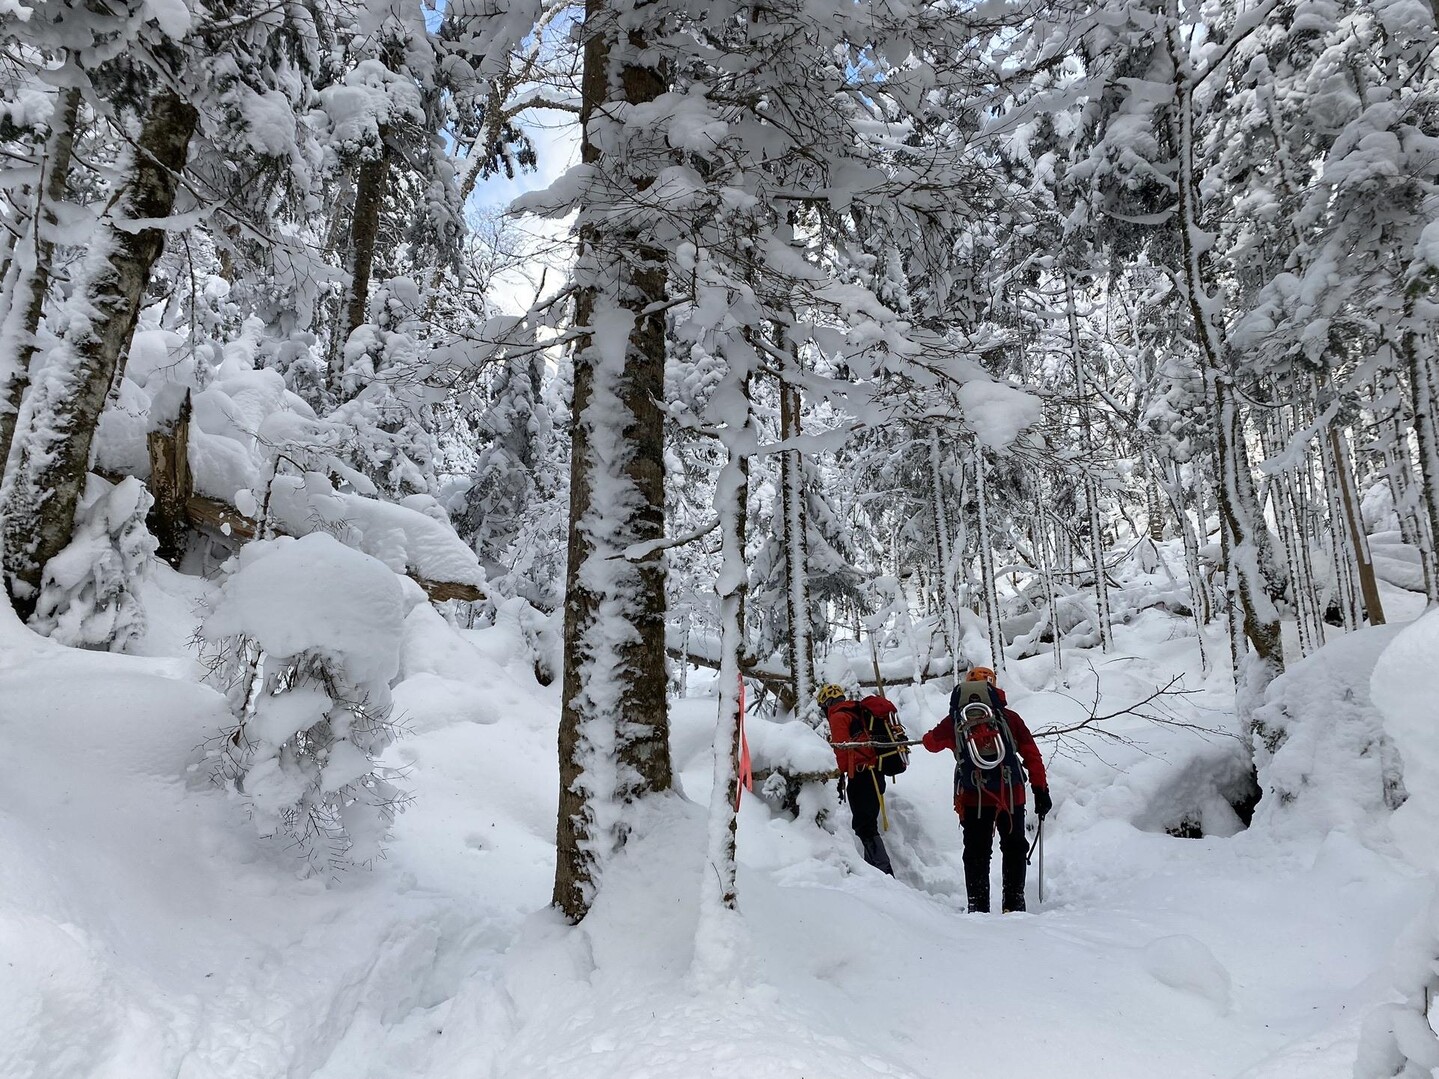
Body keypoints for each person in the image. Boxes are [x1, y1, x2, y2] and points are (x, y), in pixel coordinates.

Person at [921, 666, 1051, 913]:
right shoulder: (1010, 718)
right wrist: (1040, 790)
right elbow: (1032, 756)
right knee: (1014, 847)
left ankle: (978, 906)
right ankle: (1014, 904)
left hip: (974, 797)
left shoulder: (956, 720)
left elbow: (930, 743)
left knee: (976, 852)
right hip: (1011, 793)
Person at [818, 683, 895, 875]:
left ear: (826, 704)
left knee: (864, 827)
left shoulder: (838, 716)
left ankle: (885, 872)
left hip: (862, 777)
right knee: (868, 824)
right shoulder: (856, 710)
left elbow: (842, 752)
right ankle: (875, 872)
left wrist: (834, 772)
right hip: (875, 773)